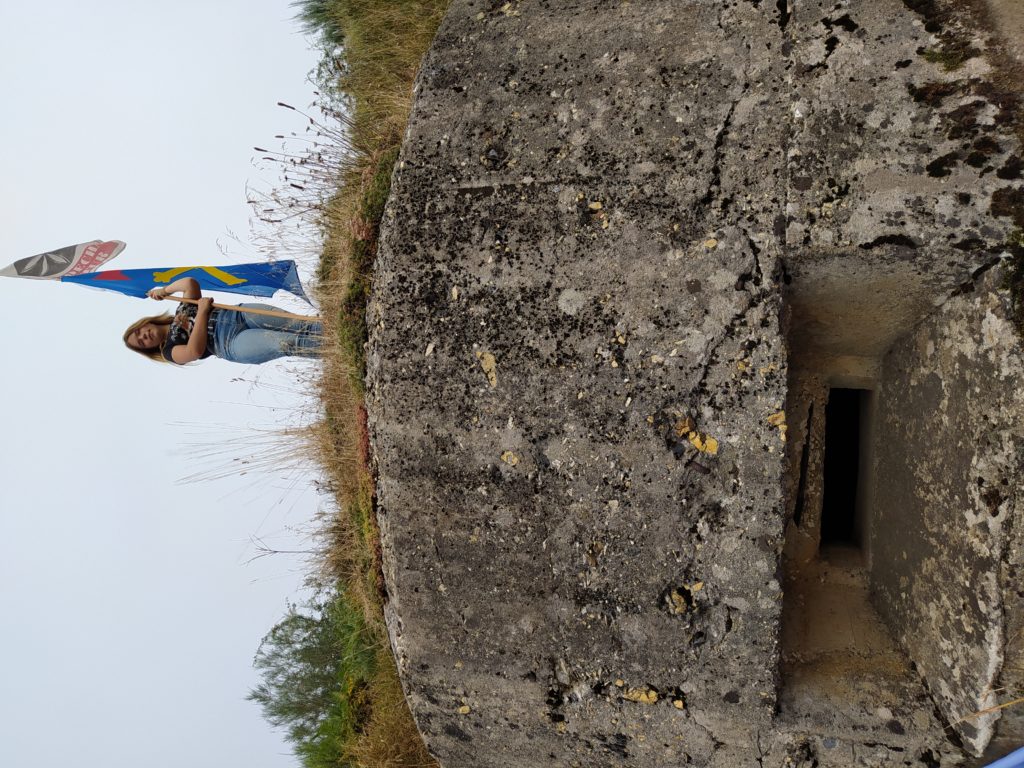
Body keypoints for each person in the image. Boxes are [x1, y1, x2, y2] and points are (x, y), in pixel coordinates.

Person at [123, 277, 322, 364]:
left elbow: (189, 283)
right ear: (149, 348)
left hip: (238, 314)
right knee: (286, 343)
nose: (144, 336)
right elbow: (193, 352)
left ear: (146, 323)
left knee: (300, 324)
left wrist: (164, 291)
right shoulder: (169, 350)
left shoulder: (181, 311)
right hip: (230, 343)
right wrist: (201, 312)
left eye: (139, 332)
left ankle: (343, 328)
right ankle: (338, 347)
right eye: (142, 342)